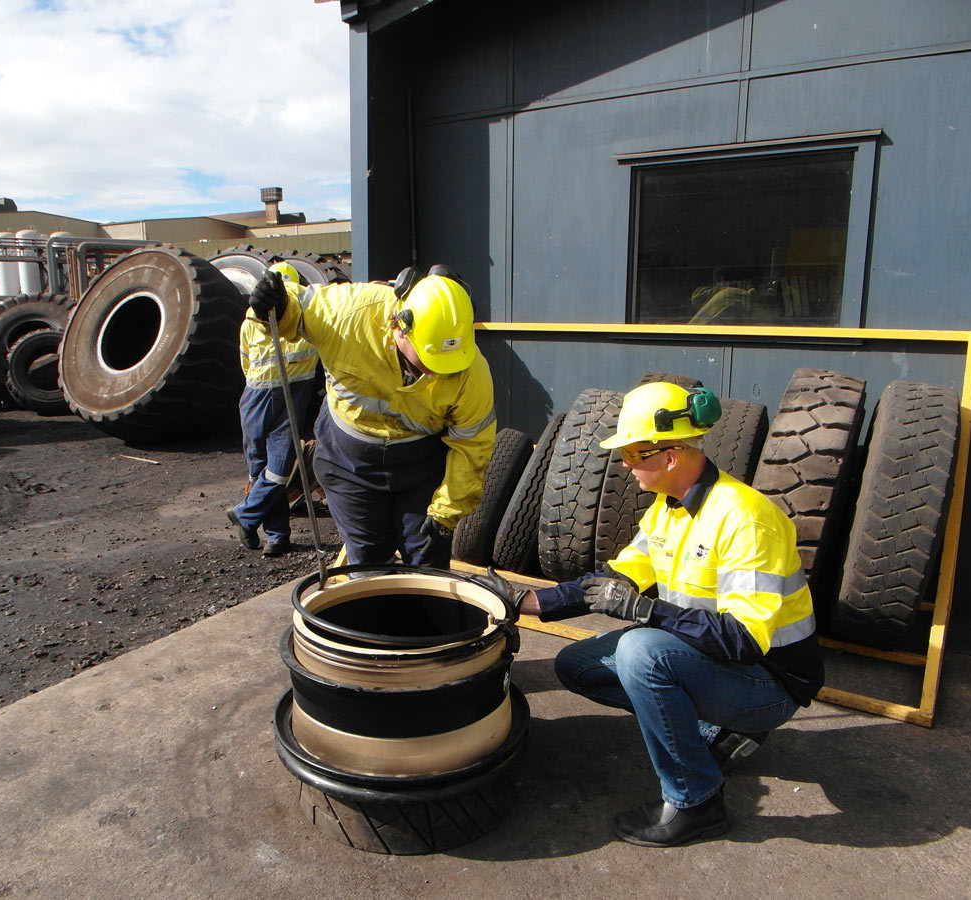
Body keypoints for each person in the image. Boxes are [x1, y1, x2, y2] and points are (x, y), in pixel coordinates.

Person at [518, 381, 823, 847]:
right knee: (576, 665)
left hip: (767, 681)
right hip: (712, 661)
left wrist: (646, 611)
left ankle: (696, 802)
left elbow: (742, 639)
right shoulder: (668, 509)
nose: (625, 466)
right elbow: (617, 578)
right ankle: (714, 732)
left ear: (672, 455)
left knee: (642, 651)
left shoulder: (744, 518)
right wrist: (527, 601)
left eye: (635, 455)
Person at [247, 264, 495, 568]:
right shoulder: (351, 314)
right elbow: (299, 309)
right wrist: (278, 306)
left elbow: (473, 447)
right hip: (347, 462)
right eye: (425, 363)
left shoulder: (472, 370)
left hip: (420, 469)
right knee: (367, 557)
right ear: (400, 325)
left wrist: (447, 513)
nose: (433, 373)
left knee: (427, 556)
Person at [226, 261, 320, 557]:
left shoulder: (305, 320)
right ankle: (277, 536)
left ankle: (245, 514)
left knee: (279, 471)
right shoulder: (251, 322)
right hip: (257, 396)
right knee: (259, 469)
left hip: (291, 396)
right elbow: (245, 362)